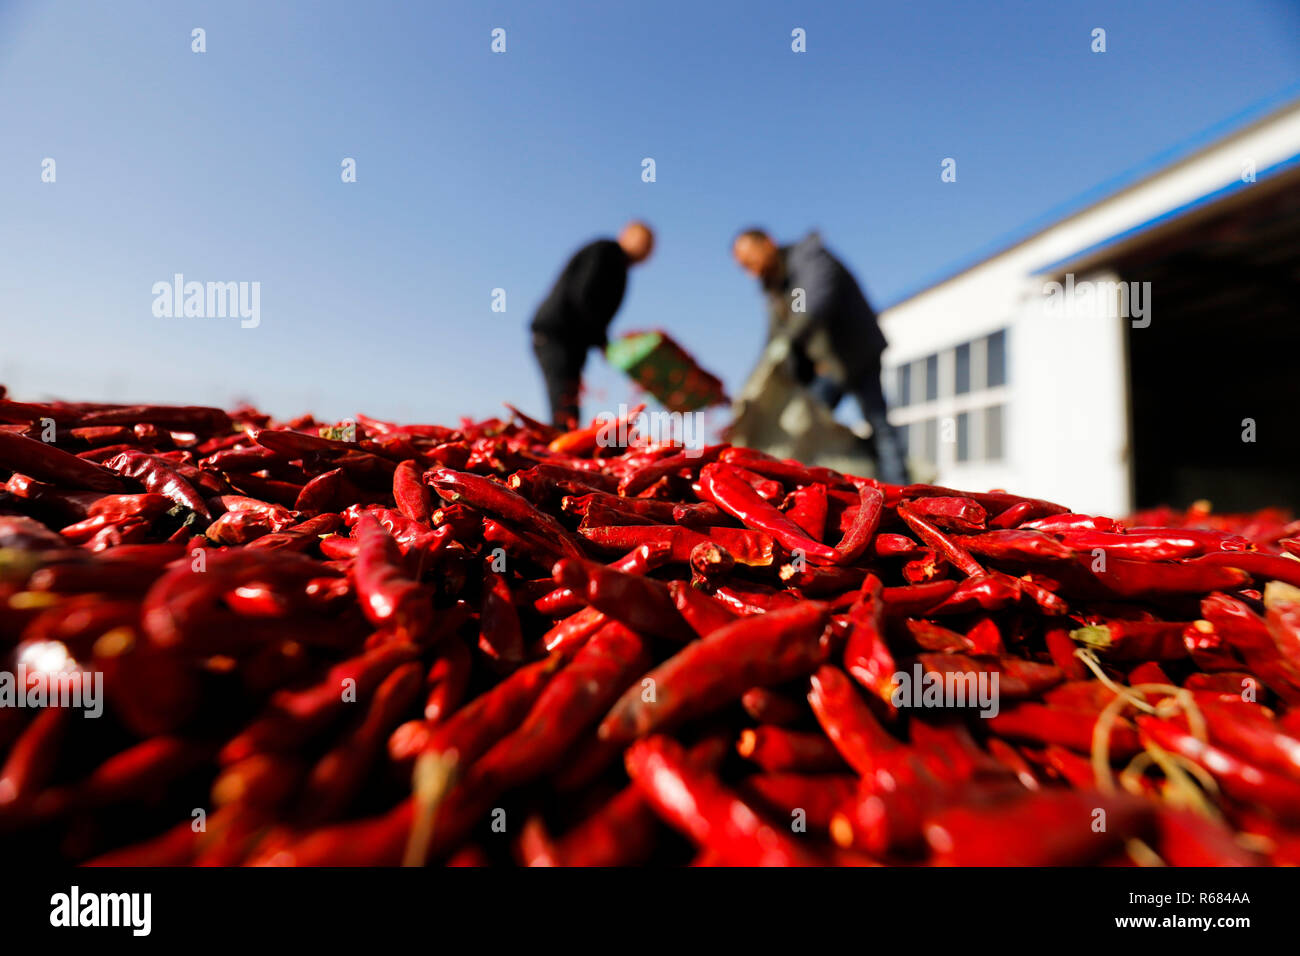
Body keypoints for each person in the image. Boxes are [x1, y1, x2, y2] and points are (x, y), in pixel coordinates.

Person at [731, 228, 910, 485]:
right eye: (744, 267)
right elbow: (774, 337)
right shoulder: (772, 287)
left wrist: (788, 339)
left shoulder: (808, 258)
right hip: (825, 367)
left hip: (855, 352)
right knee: (806, 423)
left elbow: (813, 301)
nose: (751, 271)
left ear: (767, 243)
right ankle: (824, 486)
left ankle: (900, 490)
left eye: (750, 261)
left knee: (878, 422)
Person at [530, 221, 655, 428]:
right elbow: (584, 295)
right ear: (627, 235)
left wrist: (602, 341)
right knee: (564, 405)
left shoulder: (619, 265)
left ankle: (561, 451)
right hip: (558, 335)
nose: (647, 252)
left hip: (572, 340)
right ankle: (559, 454)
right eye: (645, 242)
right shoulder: (606, 252)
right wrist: (602, 341)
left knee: (569, 400)